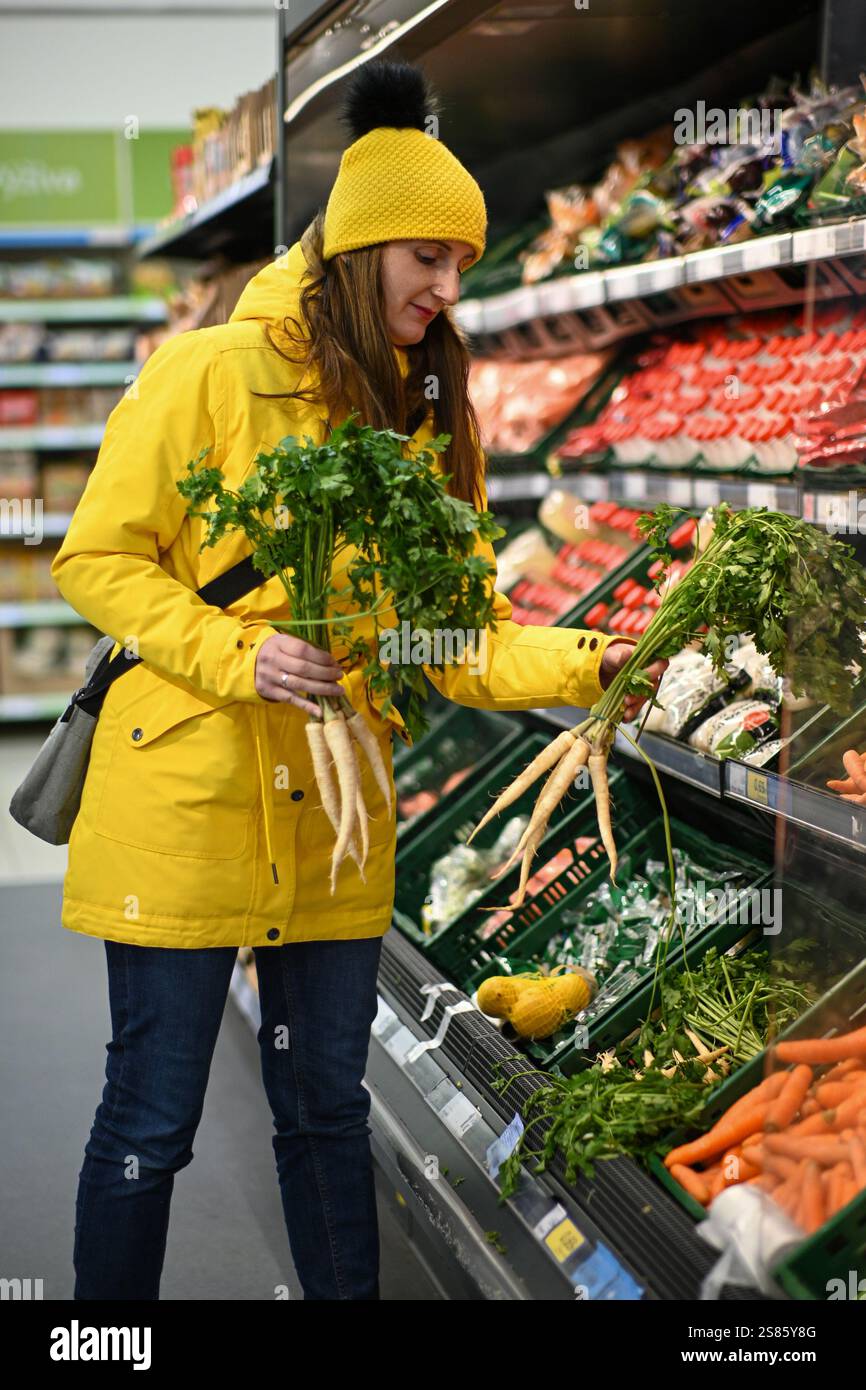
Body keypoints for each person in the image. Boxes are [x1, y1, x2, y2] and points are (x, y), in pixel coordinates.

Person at [50, 58, 666, 1301]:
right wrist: (240, 651)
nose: (449, 291)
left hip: (338, 821)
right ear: (361, 246)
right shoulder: (206, 374)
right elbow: (94, 558)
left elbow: (467, 633)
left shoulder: (428, 403)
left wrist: (597, 657)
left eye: (462, 266)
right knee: (149, 1121)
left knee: (326, 1113)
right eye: (427, 260)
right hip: (184, 806)